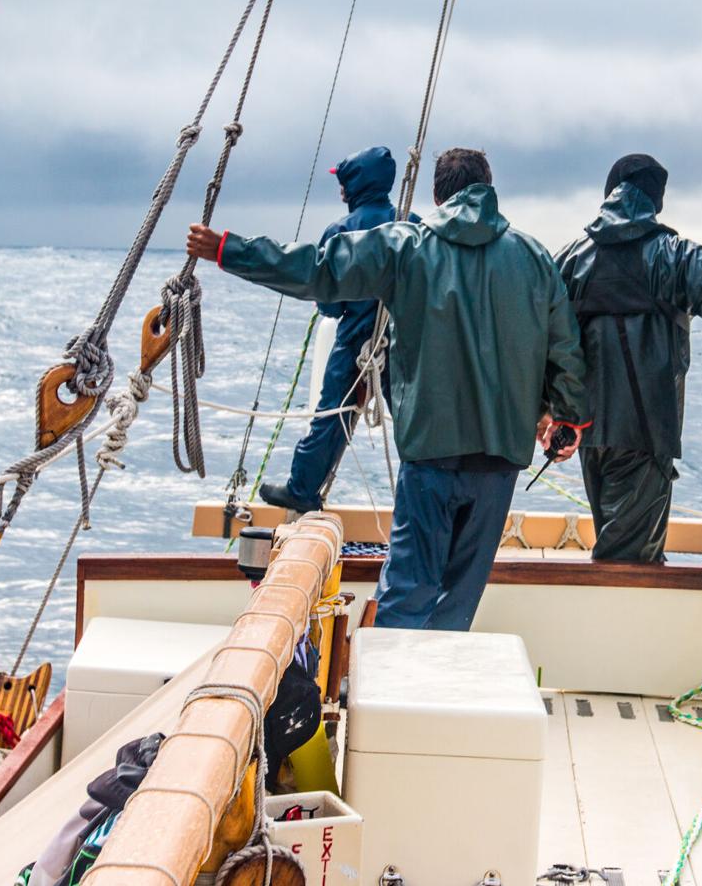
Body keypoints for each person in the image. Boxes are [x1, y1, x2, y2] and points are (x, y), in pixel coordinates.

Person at [187, 148, 588, 629]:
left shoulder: (406, 247)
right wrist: (567, 419)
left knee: (407, 593)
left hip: (430, 456)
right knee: (459, 600)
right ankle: (432, 693)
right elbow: (565, 348)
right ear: (489, 188)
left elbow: (319, 268)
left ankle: (391, 694)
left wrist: (228, 249)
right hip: (500, 461)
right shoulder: (534, 258)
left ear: (437, 196)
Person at [555, 153, 702, 564]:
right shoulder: (672, 256)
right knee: (630, 565)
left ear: (608, 194)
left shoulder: (571, 258)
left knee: (619, 549)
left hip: (586, 435)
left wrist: (548, 412)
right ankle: (618, 626)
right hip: (644, 436)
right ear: (655, 202)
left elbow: (543, 340)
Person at [257, 145, 407, 514]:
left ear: (353, 185)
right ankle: (418, 495)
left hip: (356, 339)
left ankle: (303, 488)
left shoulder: (340, 231)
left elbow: (328, 303)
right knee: (409, 422)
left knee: (331, 416)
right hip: (403, 342)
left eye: (343, 182)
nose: (340, 190)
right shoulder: (411, 223)